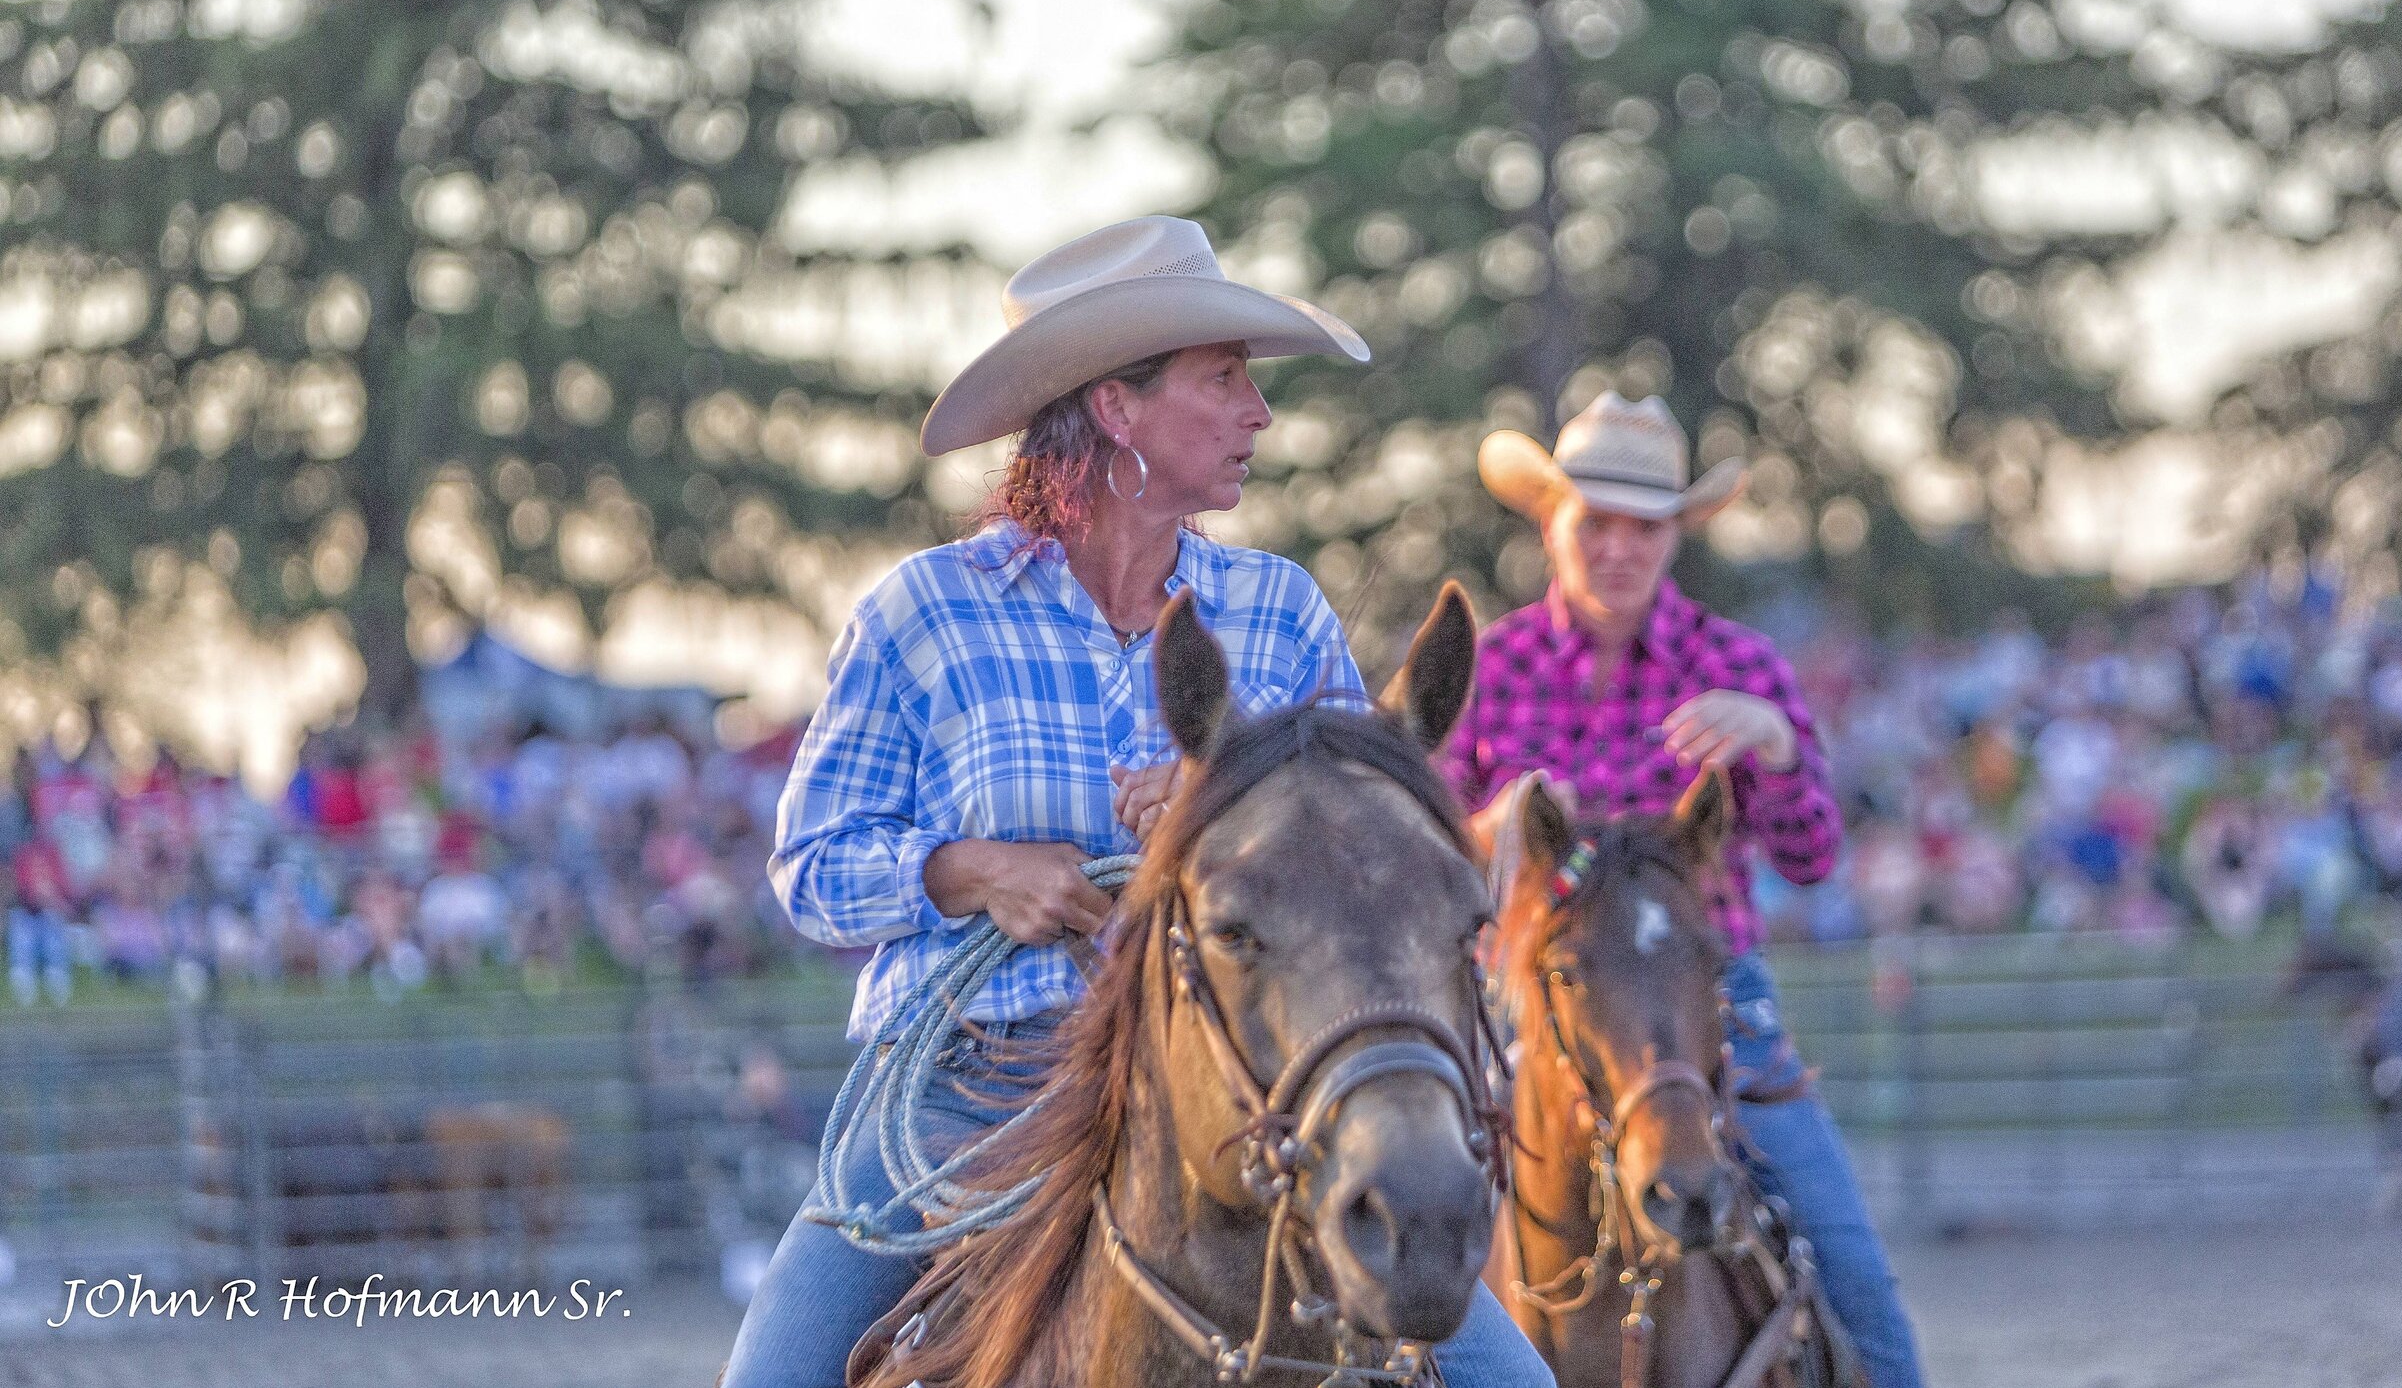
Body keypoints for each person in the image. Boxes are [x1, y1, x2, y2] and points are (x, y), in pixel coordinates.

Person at [721, 217, 1554, 1388]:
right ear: (1117, 406)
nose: (1258, 412)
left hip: (1238, 1088)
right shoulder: (926, 614)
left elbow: (1357, 849)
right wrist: (972, 868)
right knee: (777, 1374)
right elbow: (811, 863)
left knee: (1515, 1382)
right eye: (1225, 379)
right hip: (972, 1078)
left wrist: (1226, 807)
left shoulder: (1279, 609)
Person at [1444, 390, 1928, 1388]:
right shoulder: (1493, 666)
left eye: (1643, 524)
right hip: (1529, 1016)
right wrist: (1495, 825)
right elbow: (1422, 846)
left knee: (1857, 1276)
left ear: (1676, 533)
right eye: (1596, 520)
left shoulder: (1738, 664)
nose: (1617, 545)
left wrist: (1779, 745)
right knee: (1391, 1245)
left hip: (1716, 1006)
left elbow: (1809, 856)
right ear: (1552, 521)